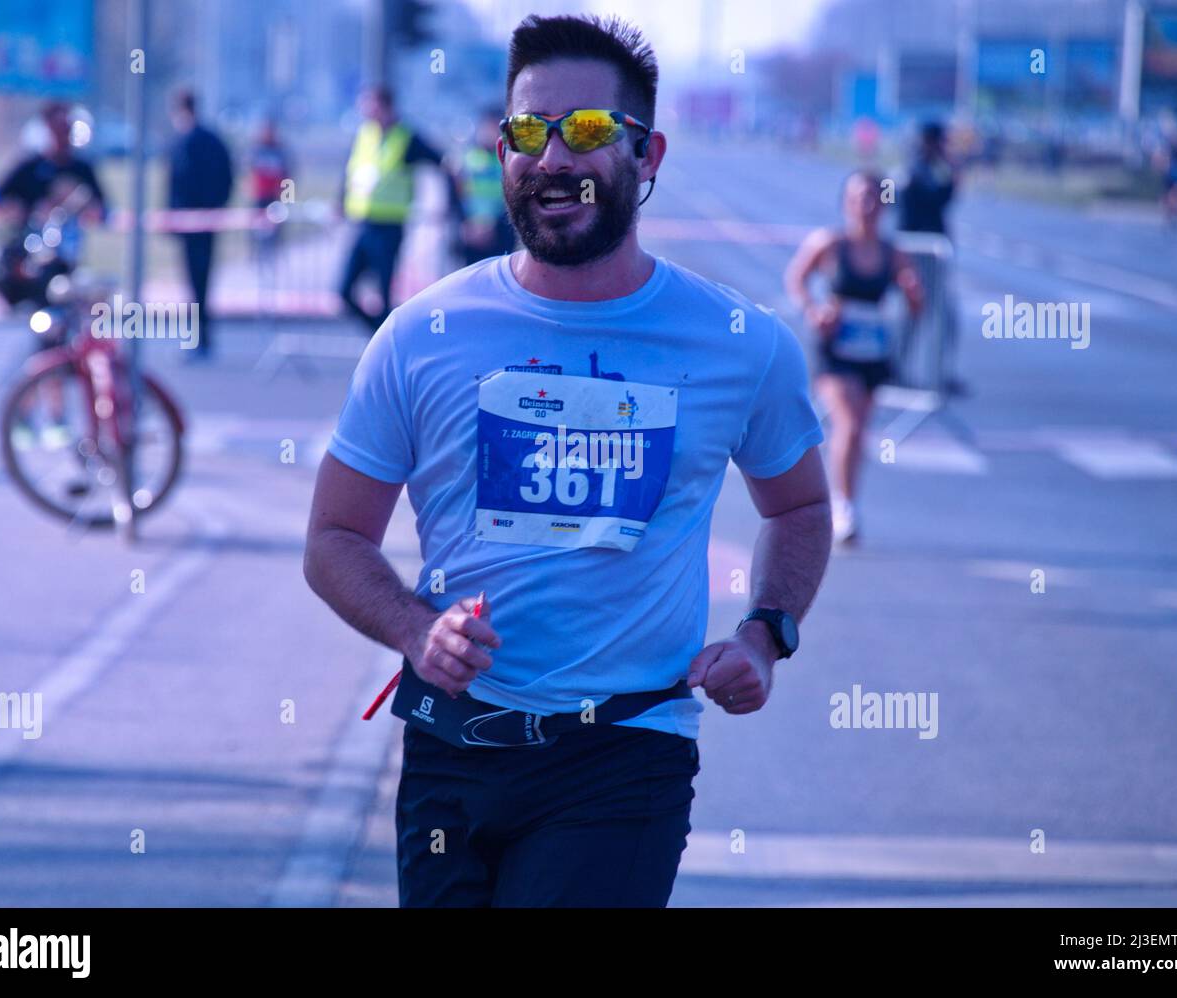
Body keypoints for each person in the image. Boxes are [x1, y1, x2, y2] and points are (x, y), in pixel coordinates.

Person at [305, 14, 833, 908]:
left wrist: (765, 634)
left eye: (585, 131)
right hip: (451, 749)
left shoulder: (739, 344)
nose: (551, 158)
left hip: (624, 759)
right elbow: (332, 537)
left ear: (647, 153)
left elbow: (800, 508)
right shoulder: (422, 335)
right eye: (525, 132)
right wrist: (412, 630)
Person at [784, 171, 922, 547]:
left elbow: (917, 304)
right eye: (859, 198)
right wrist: (813, 310)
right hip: (836, 349)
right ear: (846, 201)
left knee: (859, 431)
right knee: (847, 425)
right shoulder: (829, 243)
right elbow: (796, 279)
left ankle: (846, 497)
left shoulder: (893, 253)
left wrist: (912, 293)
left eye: (875, 199)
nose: (867, 206)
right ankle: (843, 507)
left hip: (874, 351)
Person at [336, 86, 461, 332]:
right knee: (344, 291)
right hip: (364, 223)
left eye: (369, 103)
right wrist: (339, 201)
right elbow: (351, 171)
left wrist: (452, 205)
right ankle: (381, 337)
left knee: (384, 295)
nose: (363, 109)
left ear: (384, 106)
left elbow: (446, 164)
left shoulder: (407, 137)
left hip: (390, 226)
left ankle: (387, 346)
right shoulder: (365, 134)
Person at [0, 100, 108, 305]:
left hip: (70, 255)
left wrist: (90, 210)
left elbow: (105, 209)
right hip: (31, 253)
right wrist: (10, 209)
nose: (63, 136)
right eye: (57, 129)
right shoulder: (30, 166)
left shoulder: (82, 168)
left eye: (66, 129)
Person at [167, 88, 234, 360]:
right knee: (198, 282)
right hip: (200, 221)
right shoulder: (208, 140)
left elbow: (178, 184)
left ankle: (200, 338)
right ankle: (200, 336)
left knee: (198, 282)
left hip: (197, 222)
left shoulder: (187, 142)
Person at [897, 120, 962, 395]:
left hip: (929, 252)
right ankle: (901, 371)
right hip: (921, 253)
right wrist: (953, 173)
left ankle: (936, 374)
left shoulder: (922, 170)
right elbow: (934, 202)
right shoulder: (914, 172)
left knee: (937, 317)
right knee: (917, 315)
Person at [451, 107, 517, 265]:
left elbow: (514, 198)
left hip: (499, 234)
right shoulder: (466, 159)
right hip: (470, 233)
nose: (490, 133)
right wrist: (466, 225)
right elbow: (456, 196)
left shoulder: (510, 161)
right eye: (487, 127)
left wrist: (493, 227)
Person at [247, 116, 293, 258]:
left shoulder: (281, 151)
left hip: (276, 199)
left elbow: (288, 177)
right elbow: (249, 174)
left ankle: (275, 256)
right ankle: (256, 256)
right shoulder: (256, 150)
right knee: (257, 232)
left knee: (275, 235)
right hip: (259, 199)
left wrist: (287, 199)